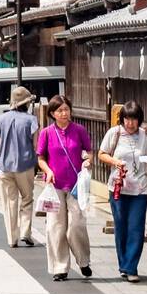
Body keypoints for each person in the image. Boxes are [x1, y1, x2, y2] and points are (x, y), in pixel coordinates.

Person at [35, 95, 92, 282]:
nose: (64, 113)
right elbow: (41, 158)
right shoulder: (46, 133)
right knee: (55, 227)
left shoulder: (79, 130)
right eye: (59, 110)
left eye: (66, 109)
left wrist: (88, 161)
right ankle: (60, 267)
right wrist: (48, 171)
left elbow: (89, 152)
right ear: (52, 113)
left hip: (76, 185)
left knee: (77, 225)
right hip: (55, 185)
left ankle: (83, 261)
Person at [99, 101, 147, 282]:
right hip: (118, 187)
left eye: (134, 119)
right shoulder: (114, 133)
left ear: (140, 120)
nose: (130, 123)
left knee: (136, 228)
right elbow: (101, 153)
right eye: (127, 119)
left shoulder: (145, 135)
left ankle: (131, 267)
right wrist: (115, 162)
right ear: (122, 119)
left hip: (140, 188)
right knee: (121, 226)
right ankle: (123, 264)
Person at [0, 85, 39, 250]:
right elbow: (35, 145)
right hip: (25, 165)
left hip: (4, 166)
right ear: (27, 103)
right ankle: (25, 233)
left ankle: (11, 238)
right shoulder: (31, 120)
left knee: (9, 202)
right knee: (27, 199)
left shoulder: (2, 118)